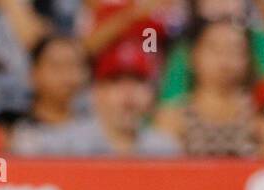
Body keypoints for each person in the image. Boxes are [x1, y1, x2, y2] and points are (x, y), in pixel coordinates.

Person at [14, 39, 180, 153]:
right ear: (96, 91)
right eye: (116, 82)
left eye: (138, 82)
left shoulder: (165, 148)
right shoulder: (62, 145)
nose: (129, 95)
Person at [155, 19, 257, 155]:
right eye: (215, 49)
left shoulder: (259, 112)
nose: (225, 60)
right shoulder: (174, 117)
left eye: (235, 50)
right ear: (194, 55)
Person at [11, 34, 89, 147]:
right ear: (33, 74)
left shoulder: (98, 126)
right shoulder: (13, 130)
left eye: (74, 65)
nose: (67, 75)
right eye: (56, 66)